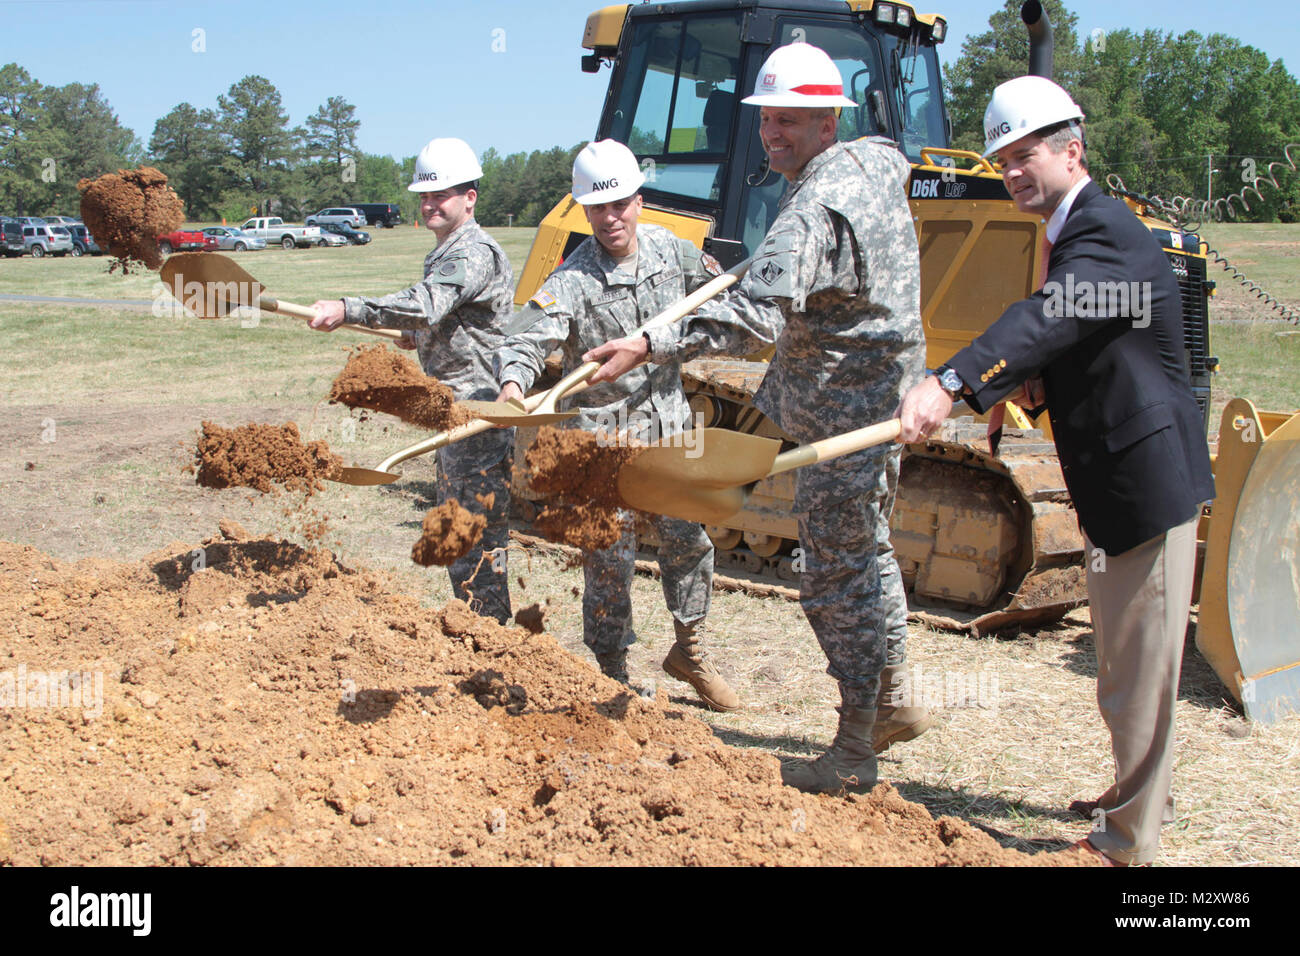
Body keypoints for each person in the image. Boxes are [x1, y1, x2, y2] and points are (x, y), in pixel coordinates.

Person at [583, 42, 931, 792]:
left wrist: (649, 342)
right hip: (891, 393)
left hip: (846, 416)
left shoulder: (808, 211)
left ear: (825, 118)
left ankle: (854, 749)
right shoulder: (873, 161)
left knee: (834, 578)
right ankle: (896, 699)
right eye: (768, 118)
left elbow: (751, 323)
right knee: (867, 553)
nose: (774, 133)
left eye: (791, 120)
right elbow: (894, 156)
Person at [897, 76, 1215, 865]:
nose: (1012, 175)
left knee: (1136, 673)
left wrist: (952, 381)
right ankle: (1136, 792)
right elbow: (1085, 336)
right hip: (1119, 480)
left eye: (1025, 156)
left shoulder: (1101, 230)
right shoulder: (1079, 230)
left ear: (1073, 150)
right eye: (1002, 162)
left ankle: (1126, 845)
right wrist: (1018, 384)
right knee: (1121, 660)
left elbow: (1053, 315)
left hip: (1145, 482)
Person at [493, 139, 739, 712]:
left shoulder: (672, 253)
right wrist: (512, 385)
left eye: (621, 204)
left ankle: (690, 649)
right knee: (608, 557)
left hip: (671, 431)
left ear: (639, 199)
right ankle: (612, 668)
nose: (611, 218)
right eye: (597, 208)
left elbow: (721, 296)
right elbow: (526, 339)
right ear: (584, 211)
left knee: (689, 542)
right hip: (604, 441)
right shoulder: (572, 279)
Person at [309, 138, 515, 624]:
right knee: (459, 531)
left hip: (478, 413)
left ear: (470, 197)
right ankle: (479, 628)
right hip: (454, 410)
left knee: (470, 532)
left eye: (440, 194)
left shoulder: (473, 252)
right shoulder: (450, 248)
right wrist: (415, 336)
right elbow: (442, 317)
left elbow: (428, 303)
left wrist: (349, 308)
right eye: (423, 196)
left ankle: (487, 634)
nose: (429, 205)